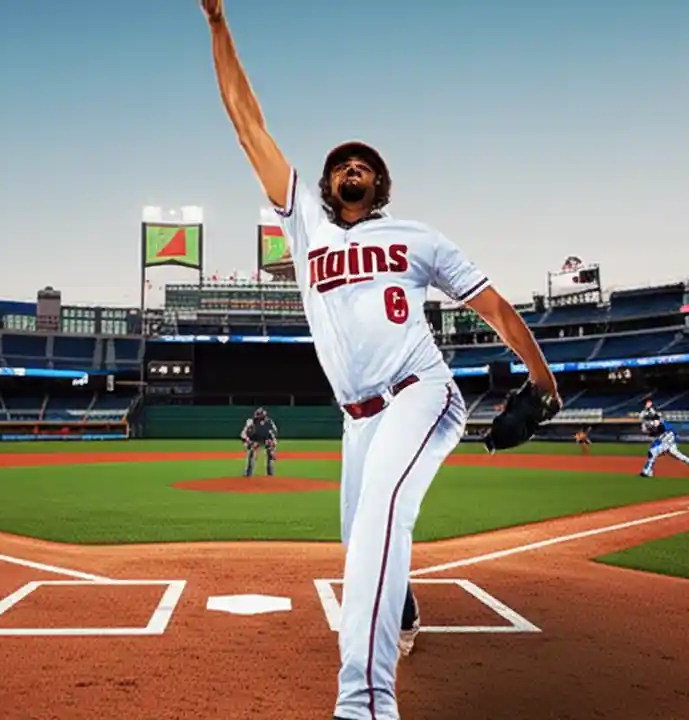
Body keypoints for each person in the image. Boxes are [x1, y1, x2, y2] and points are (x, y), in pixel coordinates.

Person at [200, 3, 560, 717]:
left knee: (377, 526)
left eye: (364, 165)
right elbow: (247, 124)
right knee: (358, 536)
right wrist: (217, 22)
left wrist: (544, 388)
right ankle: (403, 615)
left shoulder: (419, 237)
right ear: (328, 187)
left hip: (420, 392)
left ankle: (364, 704)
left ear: (379, 185)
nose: (352, 169)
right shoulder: (303, 225)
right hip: (356, 421)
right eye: (342, 165)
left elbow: (496, 310)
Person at [638, 399, 689, 478]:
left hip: (668, 435)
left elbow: (660, 426)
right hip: (664, 437)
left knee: (652, 451)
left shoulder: (655, 418)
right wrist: (652, 431)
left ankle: (646, 472)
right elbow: (652, 432)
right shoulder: (646, 423)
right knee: (680, 456)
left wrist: (649, 410)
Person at [240, 407, 277, 476]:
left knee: (270, 454)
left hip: (266, 440)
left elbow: (274, 432)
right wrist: (249, 442)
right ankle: (249, 473)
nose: (258, 416)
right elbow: (243, 434)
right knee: (252, 454)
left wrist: (271, 442)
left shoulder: (269, 422)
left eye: (259, 414)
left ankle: (270, 474)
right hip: (254, 440)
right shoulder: (251, 422)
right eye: (258, 414)